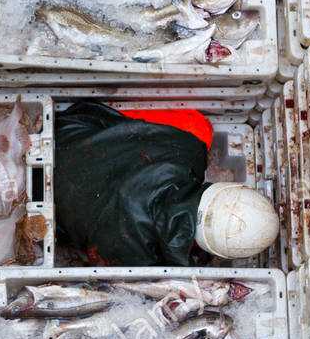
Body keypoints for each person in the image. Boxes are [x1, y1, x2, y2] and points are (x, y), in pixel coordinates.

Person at [53, 103, 279, 266]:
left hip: (62, 130)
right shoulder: (138, 261)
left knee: (198, 127)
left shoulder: (189, 148)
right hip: (51, 210)